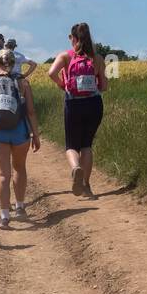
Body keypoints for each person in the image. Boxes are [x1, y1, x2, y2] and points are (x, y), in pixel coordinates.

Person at [0, 48, 40, 229]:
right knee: (19, 168)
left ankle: (4, 216)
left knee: (2, 174)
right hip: (20, 131)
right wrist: (35, 135)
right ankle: (20, 207)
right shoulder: (23, 83)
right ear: (14, 64)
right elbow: (30, 111)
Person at [48, 22, 106, 199]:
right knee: (86, 145)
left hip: (74, 104)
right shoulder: (97, 58)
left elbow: (51, 73)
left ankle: (75, 169)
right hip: (94, 104)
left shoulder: (66, 56)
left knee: (72, 145)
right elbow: (103, 86)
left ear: (72, 38)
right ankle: (86, 186)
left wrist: (62, 85)